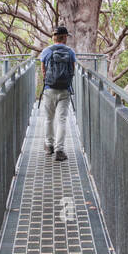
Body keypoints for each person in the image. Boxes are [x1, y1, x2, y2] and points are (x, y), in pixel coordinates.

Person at [39, 25, 76, 161]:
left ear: (54, 37)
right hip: (65, 90)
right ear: (65, 37)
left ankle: (49, 146)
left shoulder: (46, 51)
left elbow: (43, 68)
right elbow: (72, 69)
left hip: (49, 89)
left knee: (49, 118)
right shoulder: (70, 52)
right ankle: (59, 150)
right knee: (62, 120)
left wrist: (48, 79)